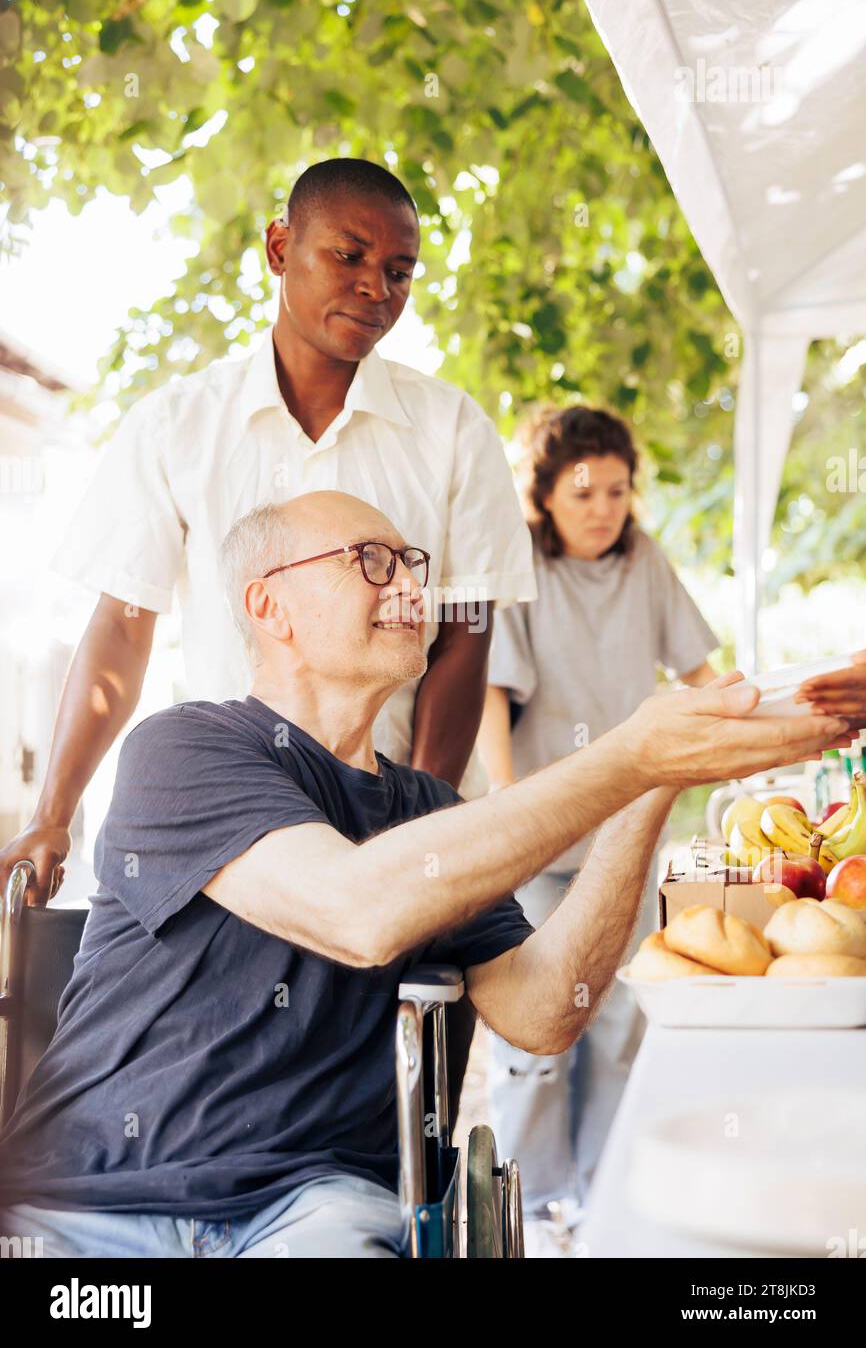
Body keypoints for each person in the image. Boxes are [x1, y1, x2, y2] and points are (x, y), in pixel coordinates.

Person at [0, 491, 849, 1259]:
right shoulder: (185, 747)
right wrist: (626, 758)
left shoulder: (432, 813)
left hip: (313, 1210)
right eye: (371, 560)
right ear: (270, 605)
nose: (409, 584)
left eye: (414, 563)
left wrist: (651, 787)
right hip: (88, 1201)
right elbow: (355, 910)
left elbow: (547, 1012)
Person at [0, 157, 535, 1105]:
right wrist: (52, 812)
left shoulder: (454, 433)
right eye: (350, 254)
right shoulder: (176, 425)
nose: (377, 287)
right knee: (199, 1073)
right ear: (280, 249)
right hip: (222, 822)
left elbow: (463, 639)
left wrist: (414, 826)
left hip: (383, 809)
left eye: (402, 270)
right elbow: (120, 633)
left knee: (362, 1104)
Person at [476, 403, 720, 1232]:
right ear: (544, 496)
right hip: (541, 844)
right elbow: (492, 695)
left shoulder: (643, 559)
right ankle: (537, 1211)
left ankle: (603, 1203)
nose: (602, 507)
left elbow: (703, 673)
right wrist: (511, 816)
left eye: (617, 491)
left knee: (616, 1026)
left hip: (624, 839)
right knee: (537, 1038)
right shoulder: (520, 565)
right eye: (583, 492)